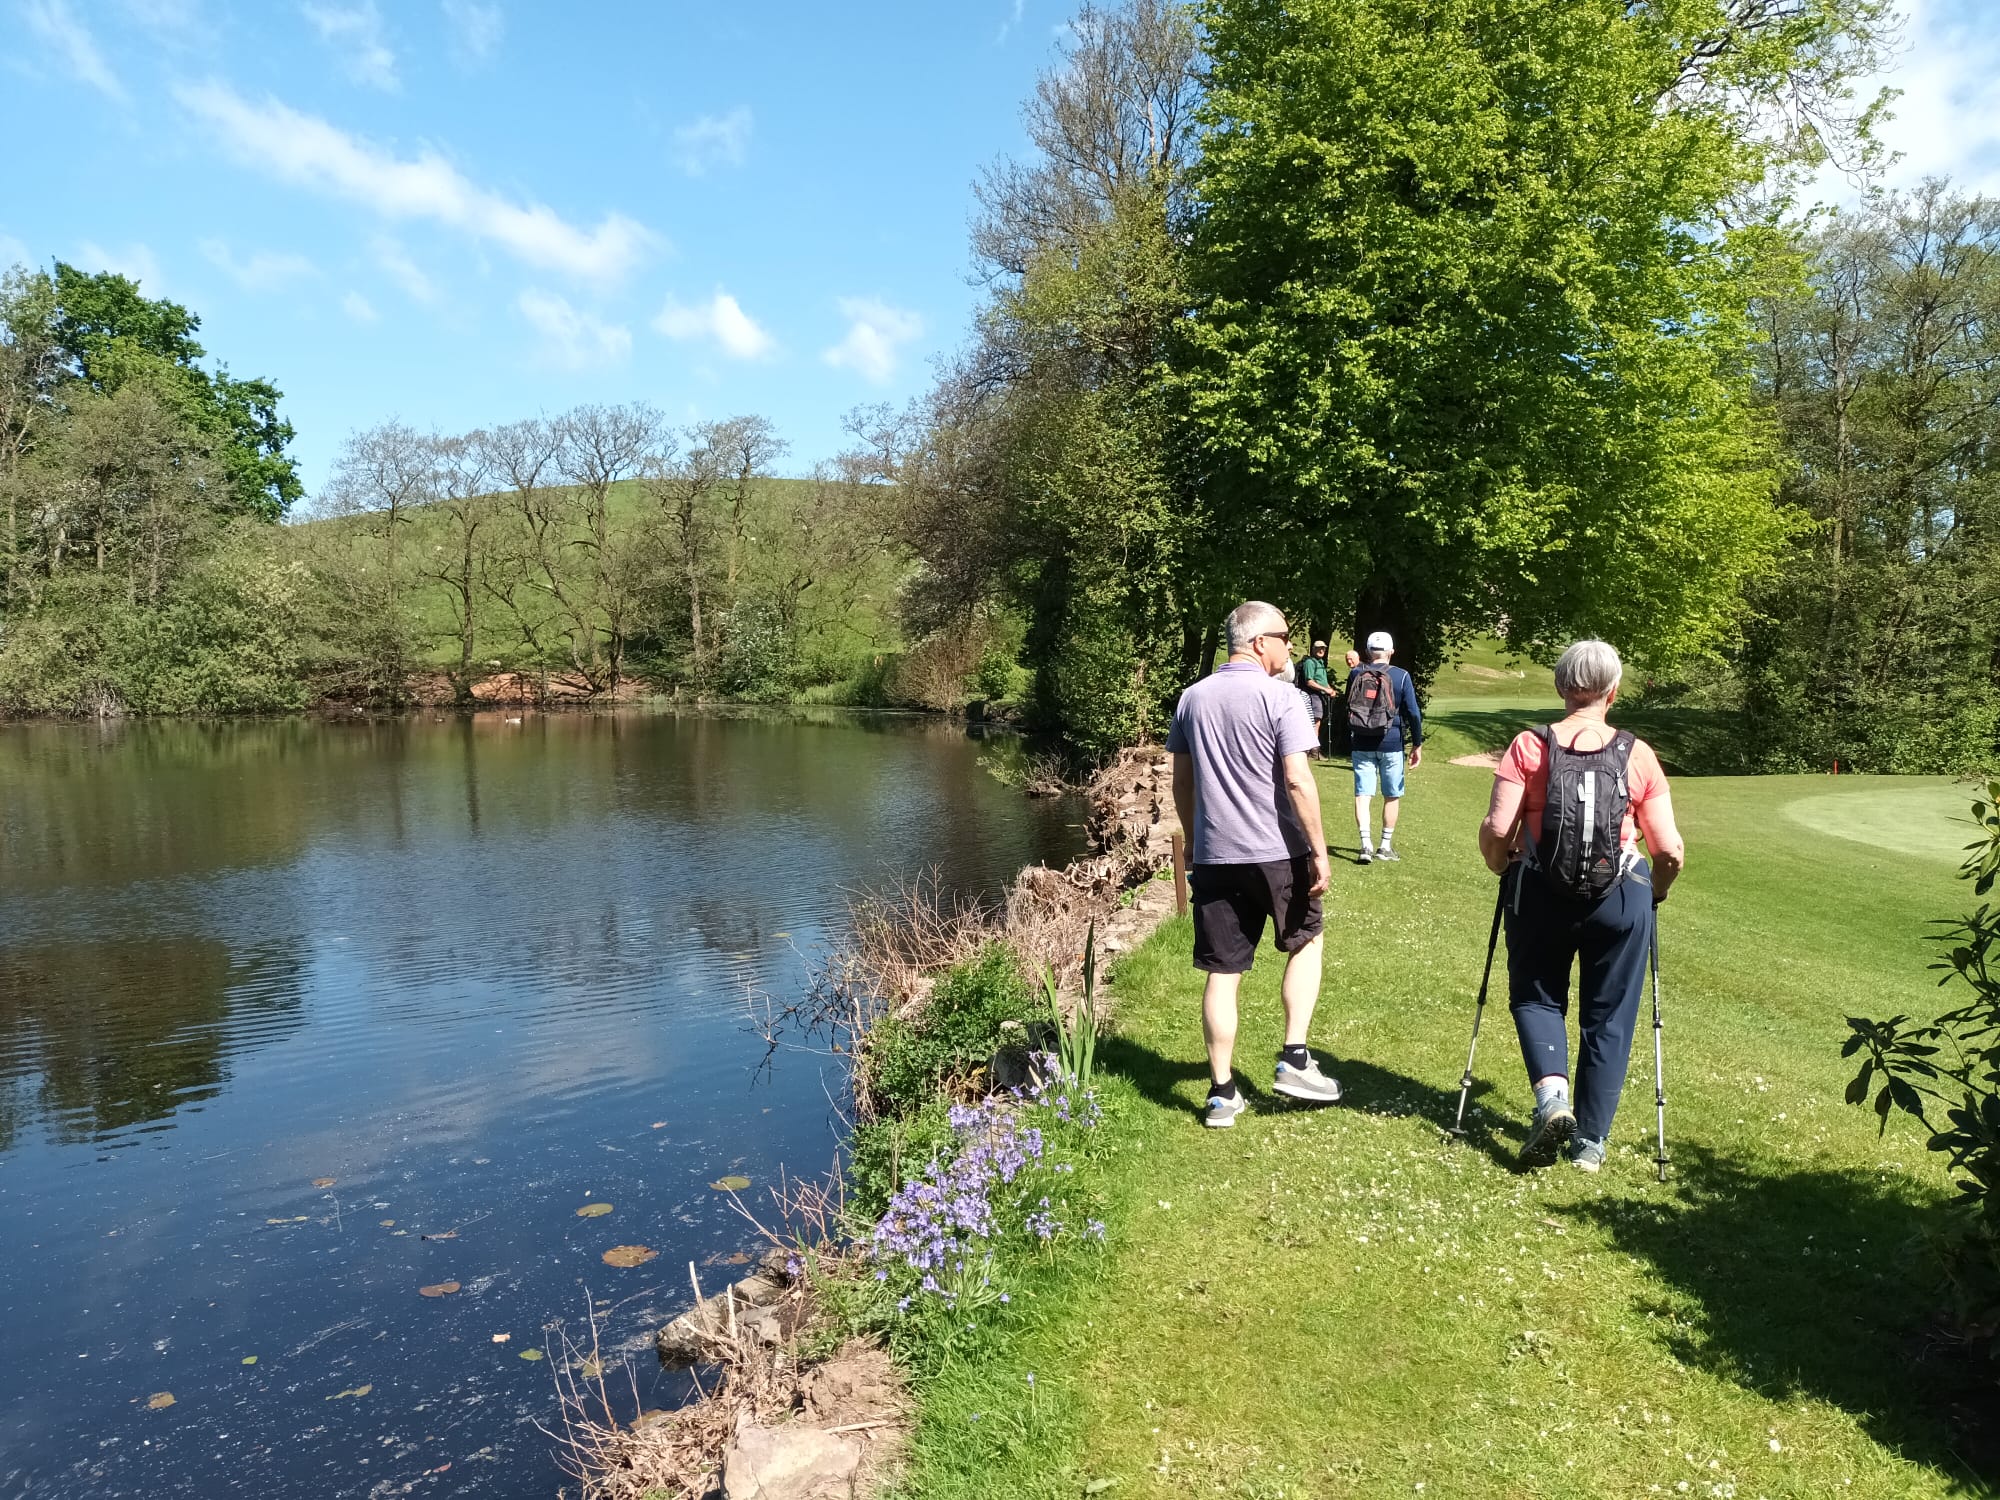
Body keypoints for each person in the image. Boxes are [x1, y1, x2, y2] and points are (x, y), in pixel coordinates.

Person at [1476, 639, 1687, 1171]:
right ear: (1613, 692)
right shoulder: (1638, 753)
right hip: (1622, 894)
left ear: (1560, 687)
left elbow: (1499, 829)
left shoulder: (1529, 747)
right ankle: (1590, 1145)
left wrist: (1502, 864)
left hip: (1540, 890)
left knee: (1536, 996)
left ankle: (1552, 1100)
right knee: (1609, 1015)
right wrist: (1655, 890)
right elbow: (1670, 850)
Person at [1168, 601, 1342, 1128]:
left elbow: (1182, 782)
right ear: (1259, 641)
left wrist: (1197, 846)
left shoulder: (1191, 698)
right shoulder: (1281, 697)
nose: (1290, 645)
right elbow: (1297, 779)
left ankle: (1221, 1094)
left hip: (1216, 856)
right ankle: (1294, 1058)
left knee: (1223, 972)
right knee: (1306, 941)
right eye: (1285, 636)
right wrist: (1319, 850)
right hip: (1277, 852)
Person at [1344, 631, 1423, 863]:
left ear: (1368, 652)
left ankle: (1365, 845)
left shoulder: (1356, 673)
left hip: (1361, 740)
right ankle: (1385, 846)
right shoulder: (1401, 676)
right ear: (1391, 652)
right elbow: (1414, 714)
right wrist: (1417, 743)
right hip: (1391, 742)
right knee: (1391, 795)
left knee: (1363, 794)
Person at [1298, 640, 1336, 755]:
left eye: (1323, 648)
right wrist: (1325, 689)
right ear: (1313, 649)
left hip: (1320, 695)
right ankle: (1313, 749)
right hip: (1313, 695)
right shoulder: (1310, 662)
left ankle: (1313, 748)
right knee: (1315, 721)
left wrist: (1330, 689)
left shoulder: (1320, 662)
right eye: (1318, 648)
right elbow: (1309, 682)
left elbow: (1323, 681)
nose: (1321, 650)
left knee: (1317, 721)